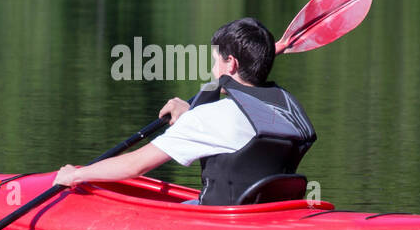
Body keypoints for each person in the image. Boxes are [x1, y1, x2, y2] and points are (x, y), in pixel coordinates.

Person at [54, 17, 315, 205]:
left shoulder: (209, 119)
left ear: (231, 63)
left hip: (221, 224)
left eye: (215, 61)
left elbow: (135, 166)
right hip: (270, 215)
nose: (213, 70)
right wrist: (190, 111)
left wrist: (76, 174)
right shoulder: (285, 108)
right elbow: (234, 103)